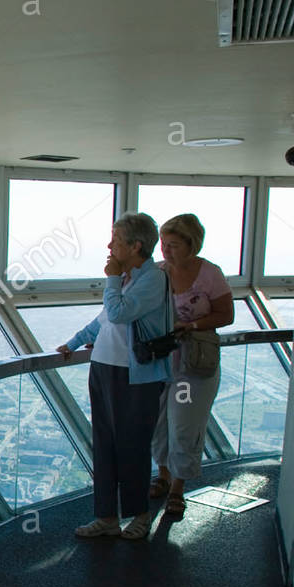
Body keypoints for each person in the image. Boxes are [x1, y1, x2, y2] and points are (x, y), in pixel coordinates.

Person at [56, 212, 172, 540]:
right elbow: (104, 319)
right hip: (105, 367)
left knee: (132, 445)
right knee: (105, 445)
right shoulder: (127, 277)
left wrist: (110, 278)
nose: (110, 246)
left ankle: (139, 513)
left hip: (136, 376)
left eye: (116, 240)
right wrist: (74, 342)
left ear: (136, 246)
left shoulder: (153, 279)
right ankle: (106, 515)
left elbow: (120, 313)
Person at [149, 213, 234, 518]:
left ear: (191, 245)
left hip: (194, 363)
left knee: (184, 423)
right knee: (158, 423)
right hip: (160, 362)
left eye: (172, 245)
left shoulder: (210, 274)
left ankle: (177, 488)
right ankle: (162, 475)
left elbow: (226, 314)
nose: (165, 250)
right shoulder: (157, 273)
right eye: (163, 243)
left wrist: (193, 324)